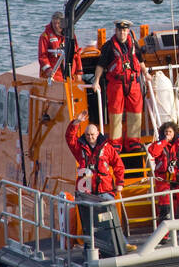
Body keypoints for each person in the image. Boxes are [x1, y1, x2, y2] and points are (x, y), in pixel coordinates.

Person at [91, 20, 145, 150]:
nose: (122, 32)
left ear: (128, 31)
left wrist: (146, 74)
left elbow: (140, 61)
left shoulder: (134, 45)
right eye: (120, 30)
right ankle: (115, 142)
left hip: (133, 83)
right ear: (116, 31)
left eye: (125, 30)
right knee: (116, 112)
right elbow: (100, 65)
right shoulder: (109, 47)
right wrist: (96, 80)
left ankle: (133, 140)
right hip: (116, 84)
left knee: (136, 112)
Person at [65, 112, 124, 197]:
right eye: (87, 135)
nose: (90, 137)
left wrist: (120, 183)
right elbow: (69, 137)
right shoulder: (79, 147)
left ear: (97, 133)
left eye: (92, 134)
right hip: (85, 191)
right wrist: (77, 122)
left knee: (108, 209)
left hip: (105, 190)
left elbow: (118, 164)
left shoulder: (107, 147)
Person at [38, 11, 82, 82]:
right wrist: (48, 70)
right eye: (54, 23)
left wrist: (79, 72)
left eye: (58, 23)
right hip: (54, 75)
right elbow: (42, 56)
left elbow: (77, 54)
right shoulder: (45, 36)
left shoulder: (70, 35)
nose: (56, 26)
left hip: (70, 75)